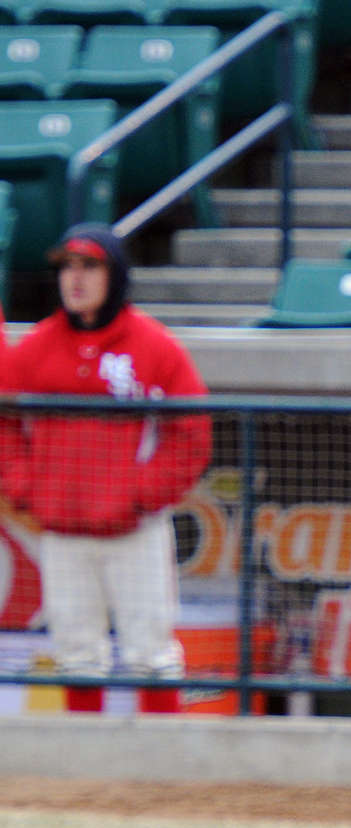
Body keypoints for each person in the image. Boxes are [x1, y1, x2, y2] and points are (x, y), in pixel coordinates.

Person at [0, 224, 211, 714]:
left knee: (150, 655)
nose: (74, 278)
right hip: (63, 532)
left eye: (89, 266)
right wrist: (26, 486)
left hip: (133, 532)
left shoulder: (153, 345)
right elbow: (4, 424)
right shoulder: (35, 347)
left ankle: (159, 775)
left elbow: (192, 430)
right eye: (67, 267)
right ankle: (85, 775)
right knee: (76, 654)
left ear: (114, 275)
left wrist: (142, 493)